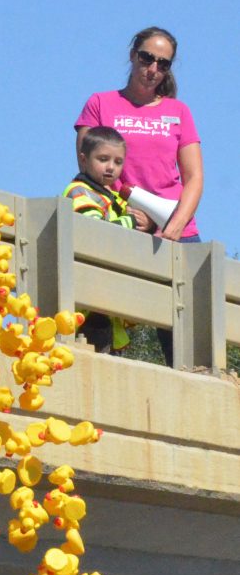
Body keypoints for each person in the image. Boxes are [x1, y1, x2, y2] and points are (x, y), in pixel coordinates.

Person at [74, 26, 203, 364]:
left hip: (175, 232)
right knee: (100, 323)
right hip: (118, 224)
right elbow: (88, 167)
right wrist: (129, 219)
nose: (153, 69)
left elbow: (194, 177)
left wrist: (172, 227)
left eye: (163, 64)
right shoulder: (100, 103)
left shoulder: (179, 112)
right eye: (147, 58)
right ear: (132, 55)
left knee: (188, 343)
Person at [62, 126, 135, 353]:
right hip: (86, 305)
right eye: (103, 159)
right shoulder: (80, 192)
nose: (111, 167)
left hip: (105, 299)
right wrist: (131, 223)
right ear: (83, 160)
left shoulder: (111, 197)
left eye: (118, 162)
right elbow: (98, 232)